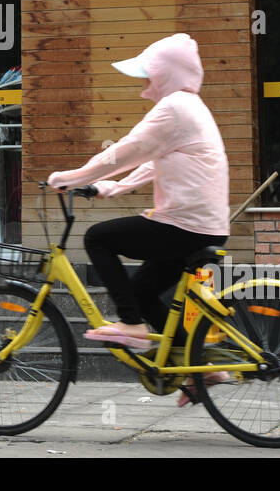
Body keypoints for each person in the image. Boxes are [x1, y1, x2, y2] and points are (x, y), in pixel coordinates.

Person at [47, 32, 230, 363]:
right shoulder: (192, 107)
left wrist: (71, 178)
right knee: (142, 293)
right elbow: (152, 163)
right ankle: (201, 369)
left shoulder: (174, 108)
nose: (145, 82)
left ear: (165, 73)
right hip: (204, 226)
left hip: (185, 226)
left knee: (98, 238)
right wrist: (109, 188)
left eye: (150, 73)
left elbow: (123, 153)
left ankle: (131, 325)